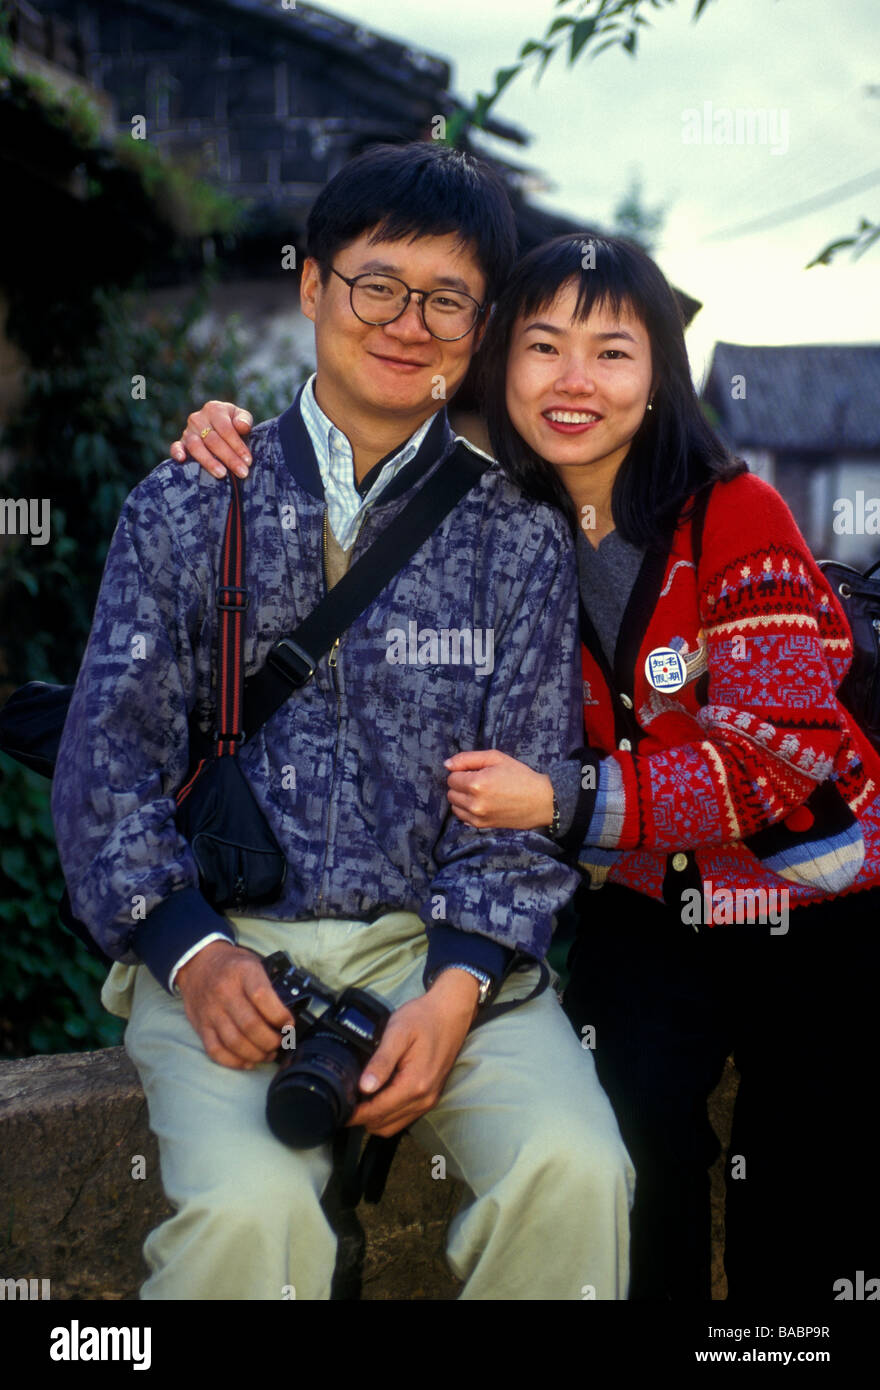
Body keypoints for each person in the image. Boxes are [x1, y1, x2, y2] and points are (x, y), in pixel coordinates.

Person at [188, 231, 880, 1303]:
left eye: (612, 352)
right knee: (630, 1130)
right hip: (648, 898)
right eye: (542, 346)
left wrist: (568, 796)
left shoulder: (738, 517)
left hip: (811, 899)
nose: (572, 381)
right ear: (499, 364)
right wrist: (230, 430)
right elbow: (355, 440)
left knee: (804, 1179)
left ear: (659, 377)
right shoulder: (501, 524)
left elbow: (776, 758)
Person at [51, 144, 633, 1302]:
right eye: (376, 283)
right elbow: (104, 769)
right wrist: (193, 952)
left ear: (477, 327)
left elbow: (518, 807)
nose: (406, 322)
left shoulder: (514, 534)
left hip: (442, 953)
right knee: (247, 1219)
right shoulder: (188, 500)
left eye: (447, 299)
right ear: (313, 285)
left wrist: (459, 982)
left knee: (574, 1172)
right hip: (226, 952)